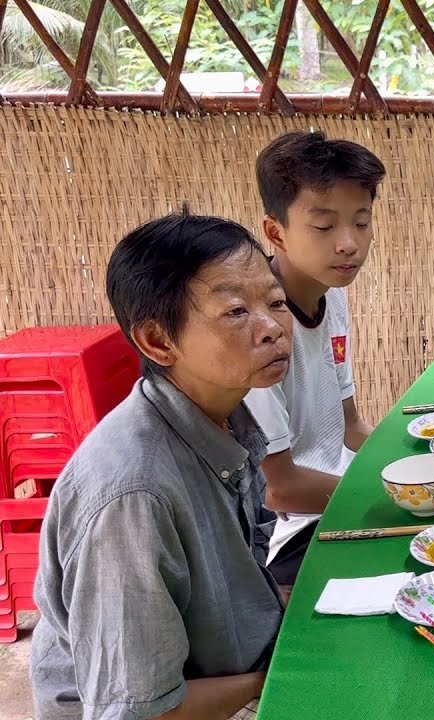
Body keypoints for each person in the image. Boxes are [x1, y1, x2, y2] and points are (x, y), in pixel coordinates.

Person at [30, 211, 290, 719]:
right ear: (157, 341)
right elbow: (141, 713)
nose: (272, 328)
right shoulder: (133, 495)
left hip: (224, 667)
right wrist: (280, 673)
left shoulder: (225, 416)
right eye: (236, 311)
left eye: (276, 303)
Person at [245, 131, 386, 586]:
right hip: (293, 536)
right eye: (325, 226)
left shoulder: (332, 297)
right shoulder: (258, 329)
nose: (348, 243)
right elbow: (279, 487)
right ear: (275, 231)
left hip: (339, 500)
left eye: (361, 222)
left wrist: (420, 465)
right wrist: (388, 493)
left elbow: (349, 426)